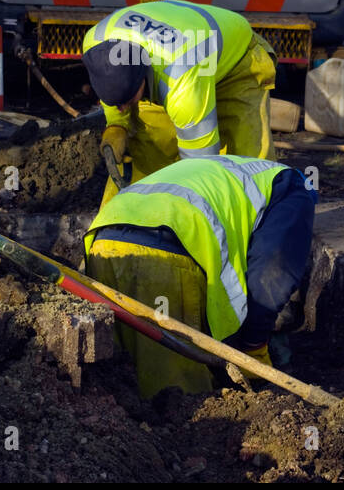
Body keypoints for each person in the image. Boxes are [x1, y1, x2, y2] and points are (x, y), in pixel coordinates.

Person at [83, 155, 316, 398]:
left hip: (102, 246)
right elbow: (271, 274)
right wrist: (253, 346)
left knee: (125, 380)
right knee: (182, 399)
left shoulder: (235, 174)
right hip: (166, 253)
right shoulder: (296, 192)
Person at [81, 0, 277, 201]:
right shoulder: (95, 43)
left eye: (127, 100)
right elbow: (115, 87)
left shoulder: (180, 80)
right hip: (190, 54)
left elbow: (200, 166)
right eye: (115, 103)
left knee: (245, 161)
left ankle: (261, 219)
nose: (122, 109)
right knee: (149, 156)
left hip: (237, 63)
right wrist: (117, 124)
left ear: (142, 77)